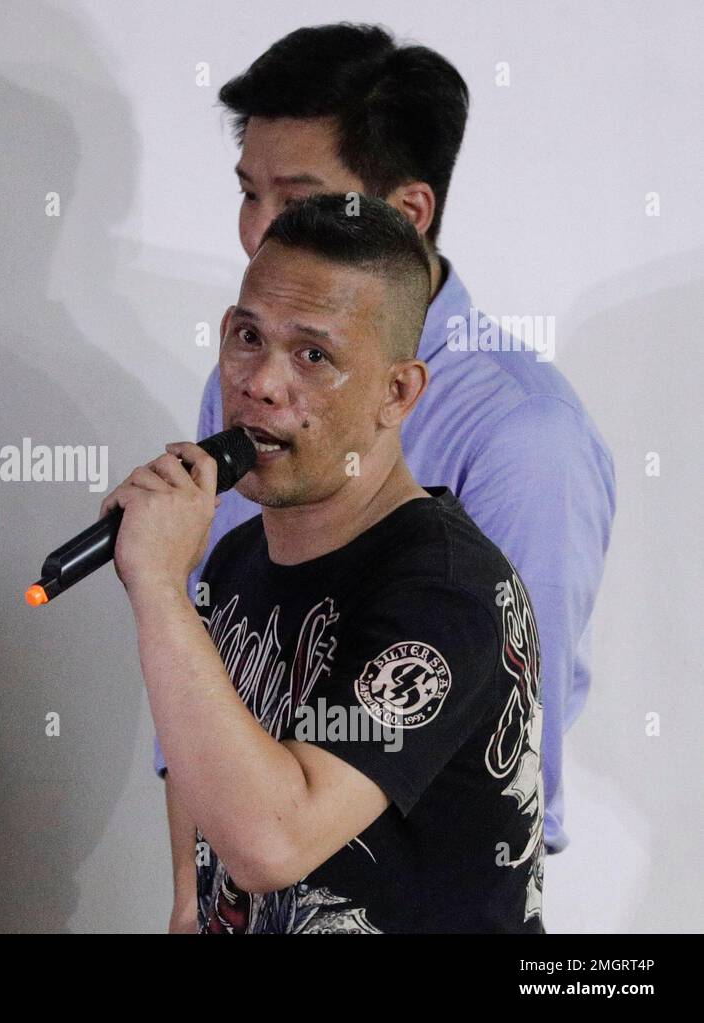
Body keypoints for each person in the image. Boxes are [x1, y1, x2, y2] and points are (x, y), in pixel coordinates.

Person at [157, 28, 614, 919]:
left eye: (299, 202)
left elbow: (516, 762)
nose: (260, 233)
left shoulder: (525, 432)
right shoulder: (245, 381)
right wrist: (190, 895)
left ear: (407, 211)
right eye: (249, 195)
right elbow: (212, 659)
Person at [108, 194, 544, 933]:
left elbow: (275, 840)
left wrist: (155, 585)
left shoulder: (446, 589)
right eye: (249, 337)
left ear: (396, 392)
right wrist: (191, 904)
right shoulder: (238, 556)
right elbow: (206, 749)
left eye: (314, 355)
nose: (262, 383)